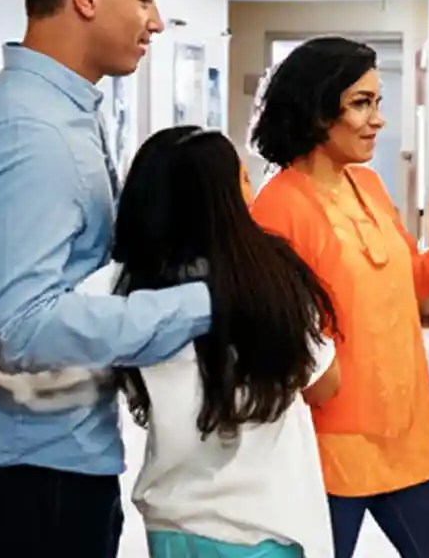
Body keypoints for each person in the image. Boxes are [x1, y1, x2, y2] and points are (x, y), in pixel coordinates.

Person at [0, 0, 213, 556]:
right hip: (33, 465)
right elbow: (21, 327)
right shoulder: (31, 135)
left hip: (51, 449)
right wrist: (207, 305)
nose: (156, 22)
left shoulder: (61, 115)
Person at [248, 36, 429, 557]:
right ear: (315, 108)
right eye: (361, 103)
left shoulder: (369, 185)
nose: (377, 119)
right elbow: (275, 337)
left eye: (377, 102)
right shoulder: (277, 209)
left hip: (406, 433)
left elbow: (417, 281)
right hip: (329, 444)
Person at [111, 126, 340, 557]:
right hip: (260, 529)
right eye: (244, 178)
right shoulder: (271, 279)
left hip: (172, 526)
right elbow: (326, 383)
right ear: (225, 202)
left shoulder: (126, 287)